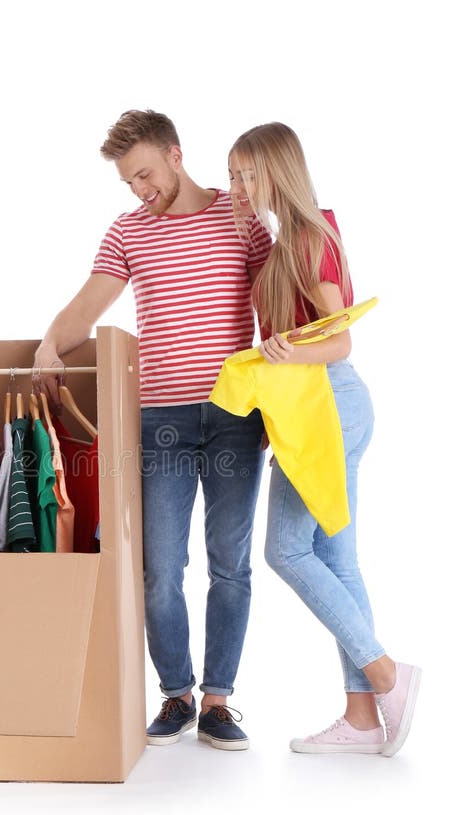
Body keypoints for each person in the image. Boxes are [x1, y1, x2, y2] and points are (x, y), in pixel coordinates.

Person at [34, 109, 272, 750]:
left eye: (144, 174)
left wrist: (284, 405)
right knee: (160, 568)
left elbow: (277, 309)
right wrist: (48, 346)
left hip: (235, 416)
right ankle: (177, 694)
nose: (140, 189)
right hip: (159, 420)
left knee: (231, 564)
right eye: (128, 182)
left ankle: (219, 699)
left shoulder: (240, 218)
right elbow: (88, 305)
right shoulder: (128, 233)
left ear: (174, 153)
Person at [225, 122, 420, 755]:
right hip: (323, 405)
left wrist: (285, 359)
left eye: (244, 174)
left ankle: (388, 675)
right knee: (337, 560)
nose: (237, 186)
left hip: (330, 402)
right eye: (231, 175)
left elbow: (339, 339)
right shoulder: (290, 239)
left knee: (286, 550)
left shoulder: (308, 236)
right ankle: (363, 720)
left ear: (275, 171)